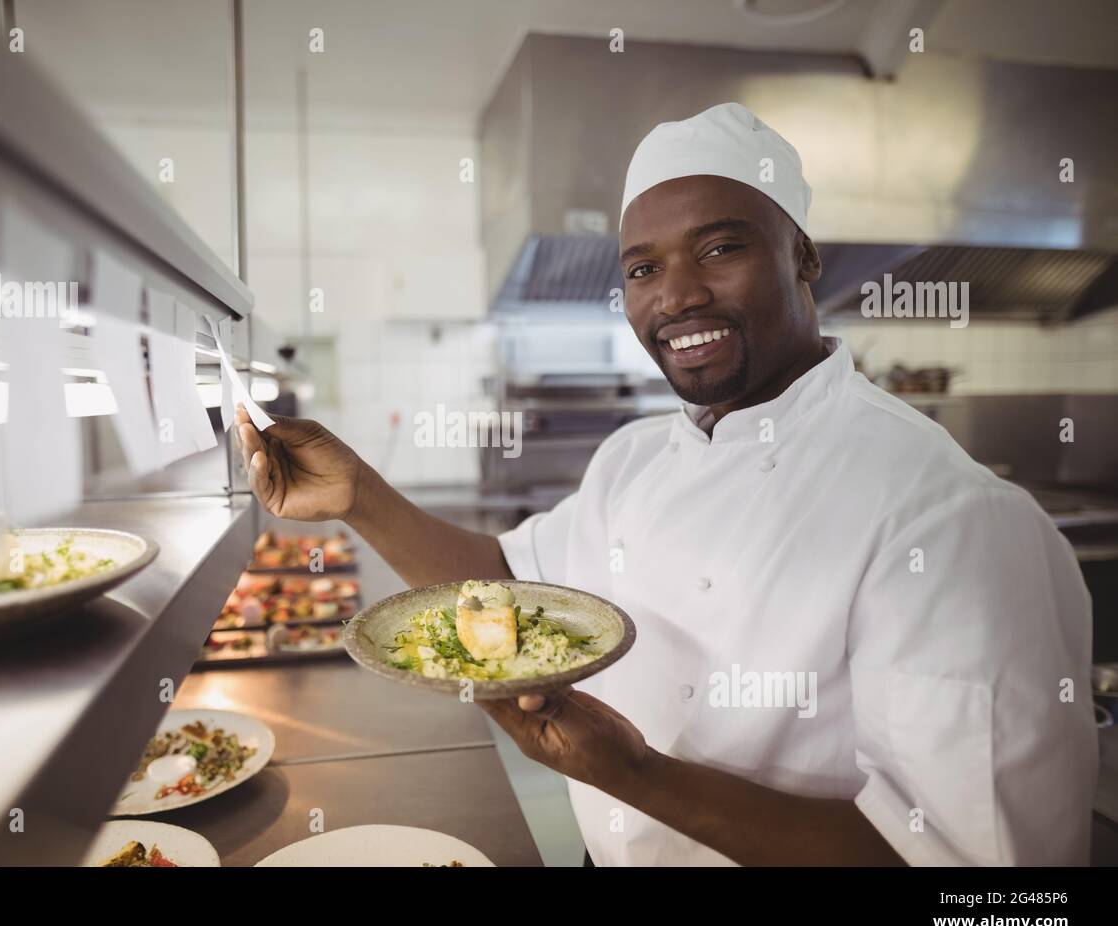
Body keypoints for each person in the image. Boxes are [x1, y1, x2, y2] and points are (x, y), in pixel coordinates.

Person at [234, 103, 1096, 866]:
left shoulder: (952, 519)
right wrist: (359, 497)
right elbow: (502, 582)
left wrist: (630, 772)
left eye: (720, 248)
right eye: (643, 269)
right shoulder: (636, 458)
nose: (677, 296)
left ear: (804, 255)